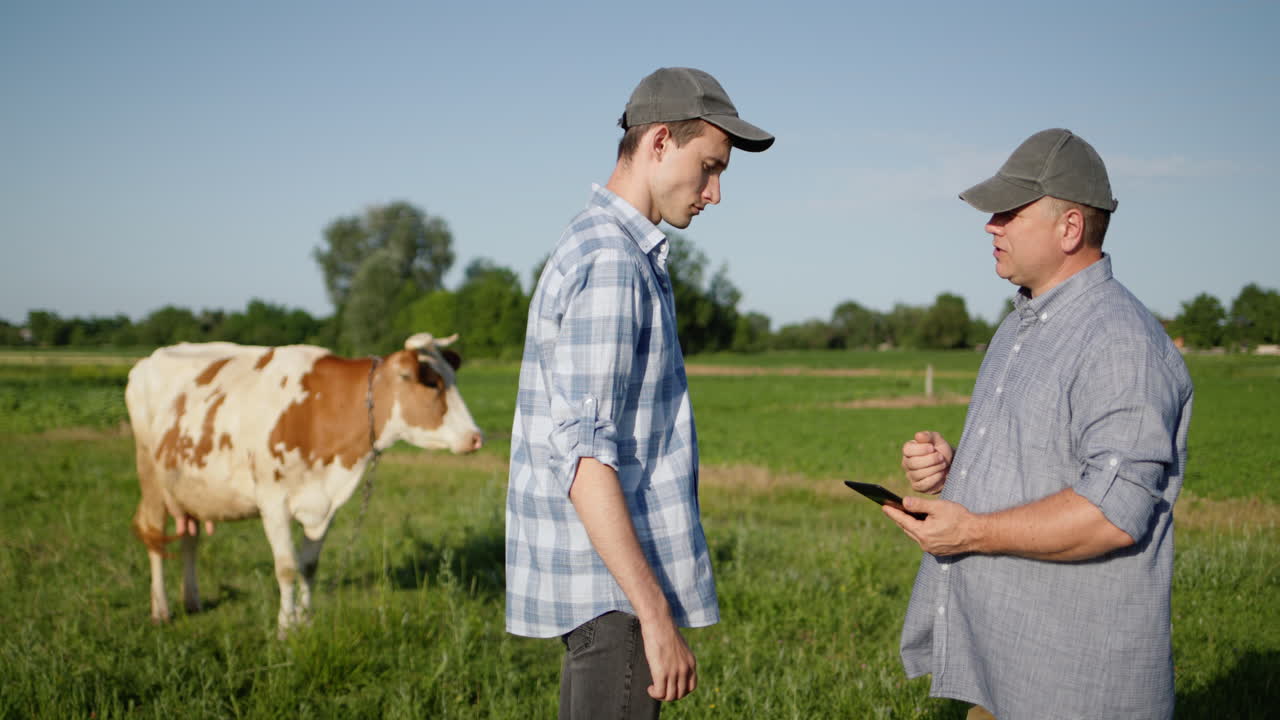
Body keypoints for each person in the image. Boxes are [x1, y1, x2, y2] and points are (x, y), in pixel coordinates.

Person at [887, 128, 1193, 719]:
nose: (990, 225)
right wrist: (957, 475)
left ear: (1069, 228)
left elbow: (1108, 515)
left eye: (1008, 211)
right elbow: (1043, 471)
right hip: (1004, 674)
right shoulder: (1021, 325)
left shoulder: (1119, 342)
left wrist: (970, 530)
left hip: (1074, 687)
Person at [505, 67, 773, 720]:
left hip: (606, 595)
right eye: (709, 167)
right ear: (658, 142)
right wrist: (654, 614)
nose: (714, 193)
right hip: (616, 599)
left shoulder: (605, 248)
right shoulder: (614, 263)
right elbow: (583, 456)